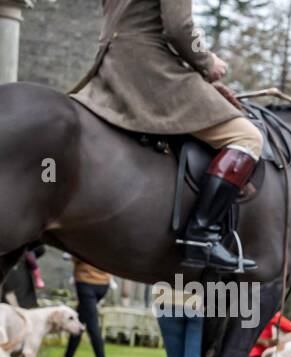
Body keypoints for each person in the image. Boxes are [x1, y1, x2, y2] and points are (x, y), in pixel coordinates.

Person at [70, 0, 264, 274]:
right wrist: (207, 61)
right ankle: (202, 235)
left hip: (110, 66)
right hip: (150, 69)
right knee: (248, 137)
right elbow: (178, 27)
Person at [42, 258, 113, 357]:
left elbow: (77, 254)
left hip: (87, 280)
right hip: (104, 282)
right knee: (79, 322)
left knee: (92, 325)